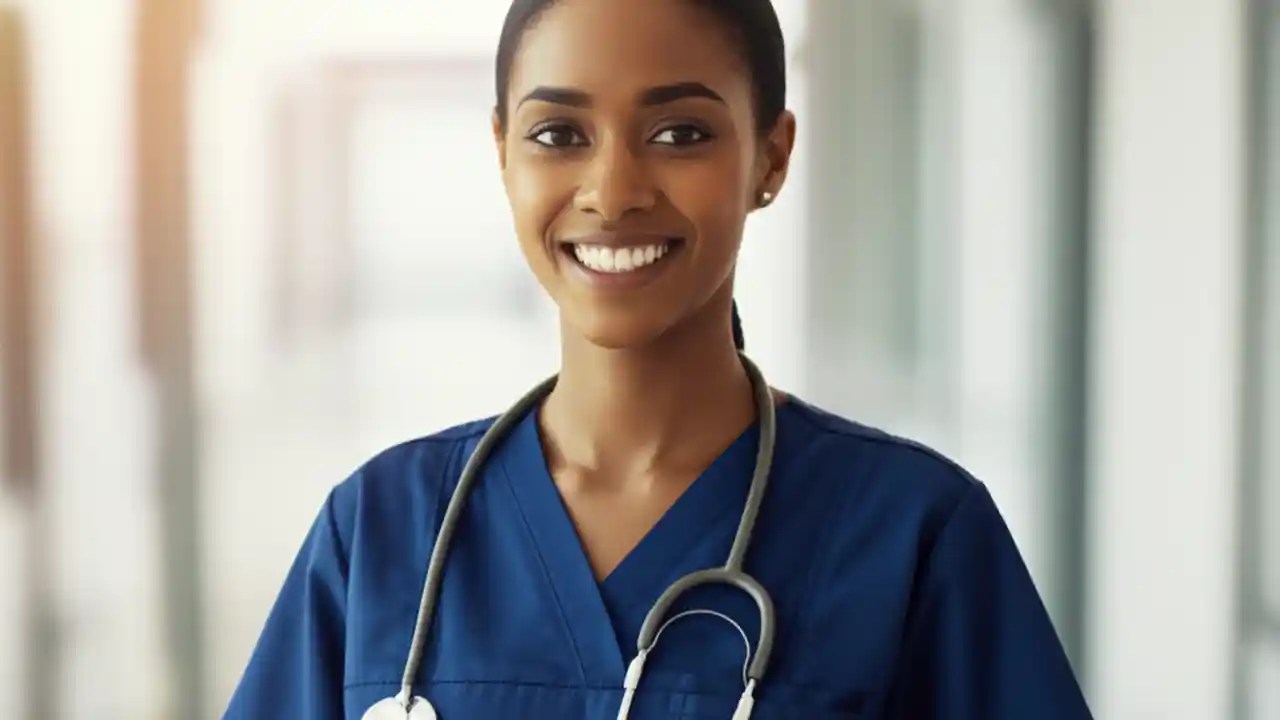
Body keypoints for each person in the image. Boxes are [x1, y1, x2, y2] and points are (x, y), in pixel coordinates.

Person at [224, 0, 1092, 718]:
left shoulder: (914, 537)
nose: (613, 192)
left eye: (680, 134)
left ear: (772, 157)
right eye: (559, 134)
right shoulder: (381, 535)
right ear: (501, 153)